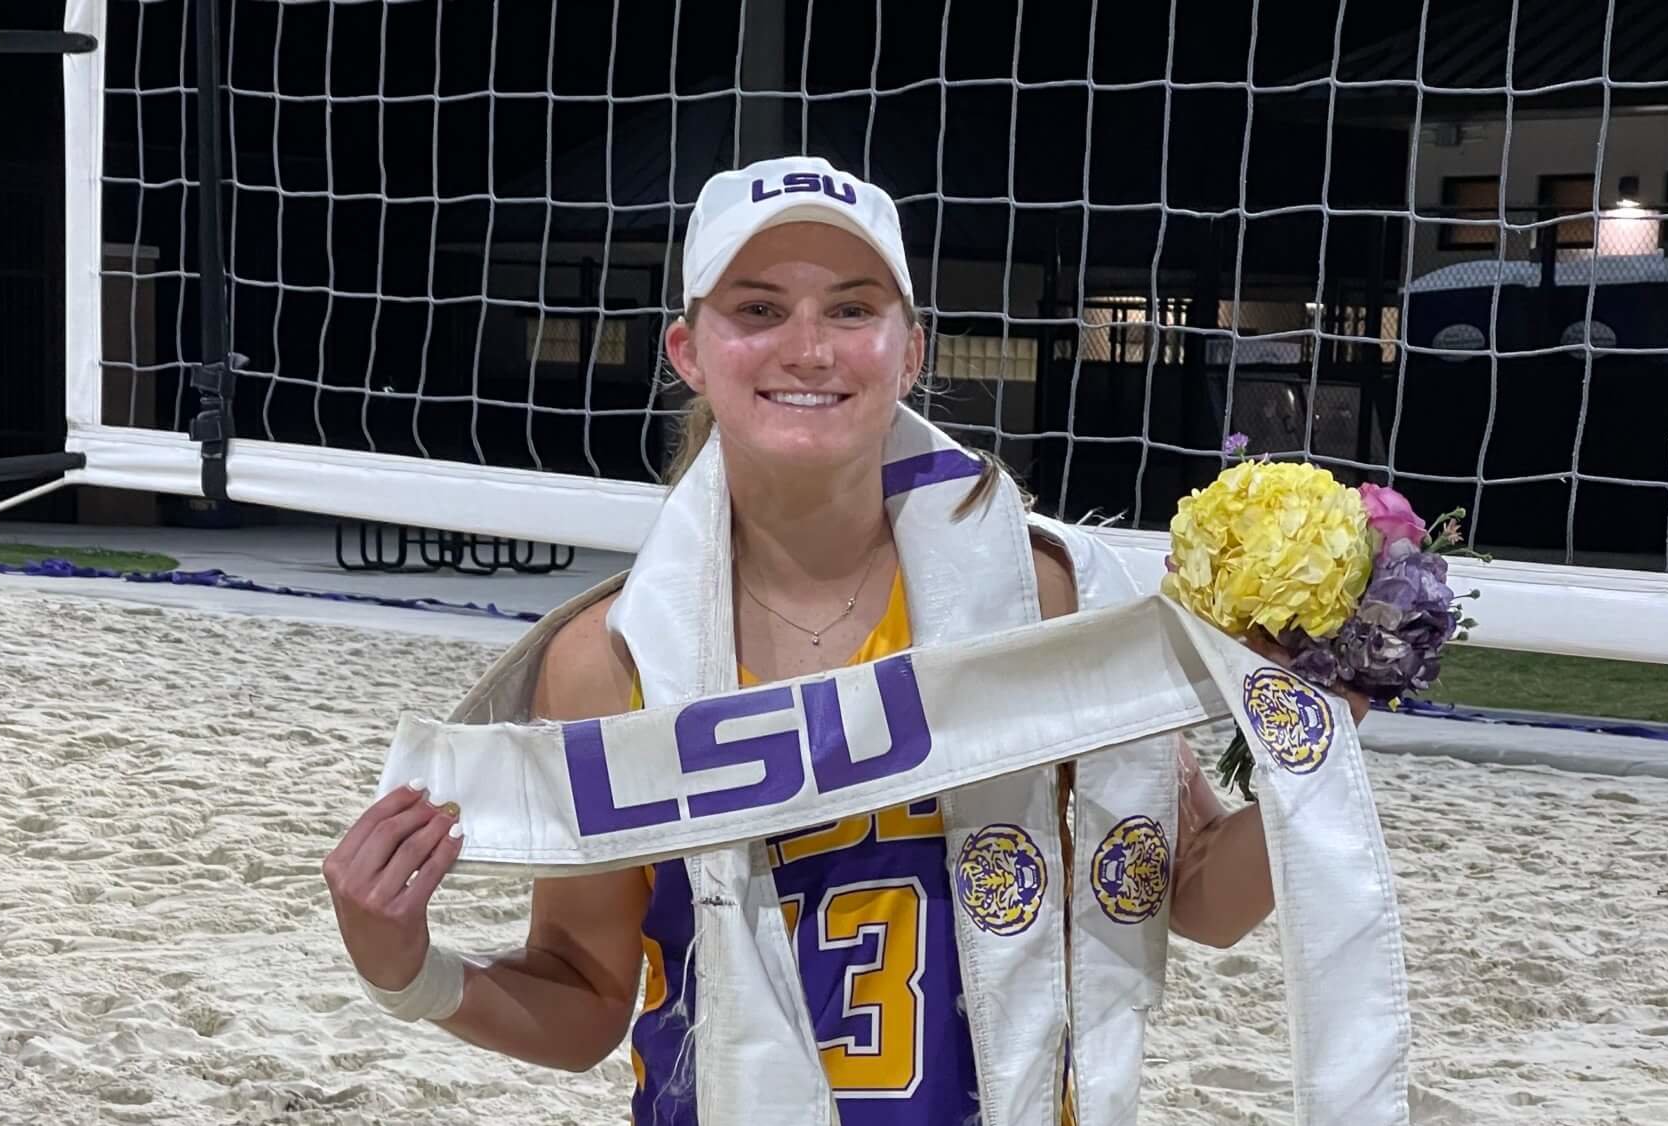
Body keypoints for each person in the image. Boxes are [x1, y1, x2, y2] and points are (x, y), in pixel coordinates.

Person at [322, 155, 1371, 1123]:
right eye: (759, 309)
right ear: (688, 350)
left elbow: (1196, 896)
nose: (809, 347)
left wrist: (1324, 724)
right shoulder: (611, 659)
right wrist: (408, 968)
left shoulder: (1045, 597)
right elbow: (588, 996)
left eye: (852, 309)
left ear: (909, 349)